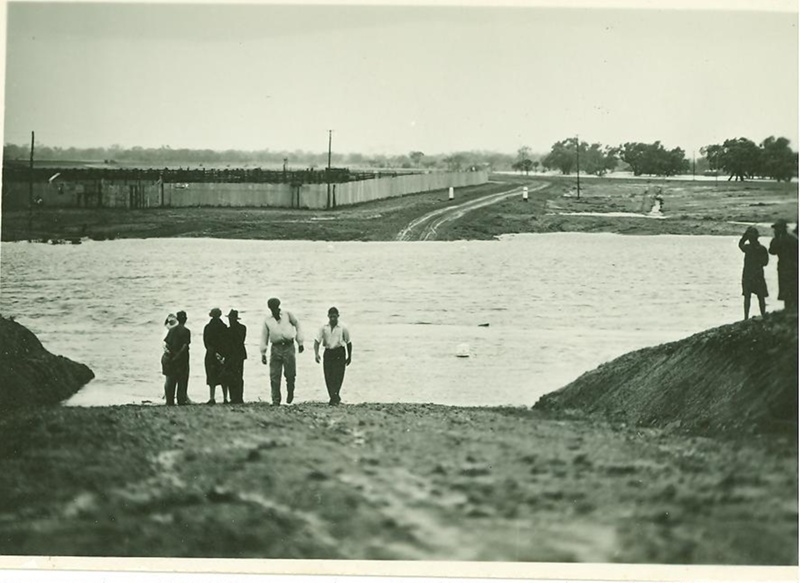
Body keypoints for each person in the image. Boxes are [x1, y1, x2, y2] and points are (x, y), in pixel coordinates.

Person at [260, 297, 304, 405]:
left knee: (290, 373)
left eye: (275, 307)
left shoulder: (287, 315)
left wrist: (300, 342)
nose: (274, 310)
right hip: (275, 347)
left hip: (289, 346)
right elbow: (264, 336)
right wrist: (263, 352)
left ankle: (290, 391)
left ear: (278, 306)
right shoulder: (267, 320)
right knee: (274, 375)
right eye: (271, 308)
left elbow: (297, 324)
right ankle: (276, 399)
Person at [314, 306, 352, 406]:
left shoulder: (343, 327)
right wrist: (316, 354)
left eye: (334, 317)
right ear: (328, 316)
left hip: (339, 352)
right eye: (331, 317)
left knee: (338, 375)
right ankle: (333, 396)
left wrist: (349, 356)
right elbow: (317, 341)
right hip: (328, 352)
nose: (333, 319)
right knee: (328, 375)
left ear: (338, 316)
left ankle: (335, 396)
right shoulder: (324, 327)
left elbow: (348, 342)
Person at [738, 227, 769, 319]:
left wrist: (744, 237)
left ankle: (746, 317)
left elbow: (740, 244)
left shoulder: (747, 248)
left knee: (747, 297)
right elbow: (765, 263)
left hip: (748, 275)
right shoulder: (762, 249)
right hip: (758, 275)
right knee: (761, 296)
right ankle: (763, 315)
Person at [769, 219, 798, 311]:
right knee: (791, 289)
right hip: (791, 267)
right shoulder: (792, 238)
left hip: (787, 267)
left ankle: (789, 309)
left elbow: (772, 251)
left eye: (777, 228)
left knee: (787, 288)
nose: (775, 230)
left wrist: (775, 238)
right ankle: (791, 309)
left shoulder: (783, 239)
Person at [163, 310, 191, 406]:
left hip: (171, 357)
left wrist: (172, 355)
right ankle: (181, 400)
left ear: (178, 319)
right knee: (182, 380)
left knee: (171, 380)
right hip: (182, 359)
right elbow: (185, 346)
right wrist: (178, 355)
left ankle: (169, 401)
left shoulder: (172, 330)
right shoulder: (186, 331)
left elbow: (167, 344)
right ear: (186, 319)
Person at [203, 308, 229, 404]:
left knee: (211, 377)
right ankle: (225, 398)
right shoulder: (224, 327)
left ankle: (212, 398)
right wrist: (222, 353)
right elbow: (226, 342)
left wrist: (212, 351)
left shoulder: (207, 327)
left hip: (210, 353)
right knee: (223, 377)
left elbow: (206, 342)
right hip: (222, 354)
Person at [224, 309, 247, 404]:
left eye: (231, 318)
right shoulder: (241, 328)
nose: (230, 320)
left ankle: (236, 397)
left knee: (235, 376)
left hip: (233, 354)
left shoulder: (231, 329)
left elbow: (237, 341)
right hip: (238, 354)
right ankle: (237, 397)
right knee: (236, 376)